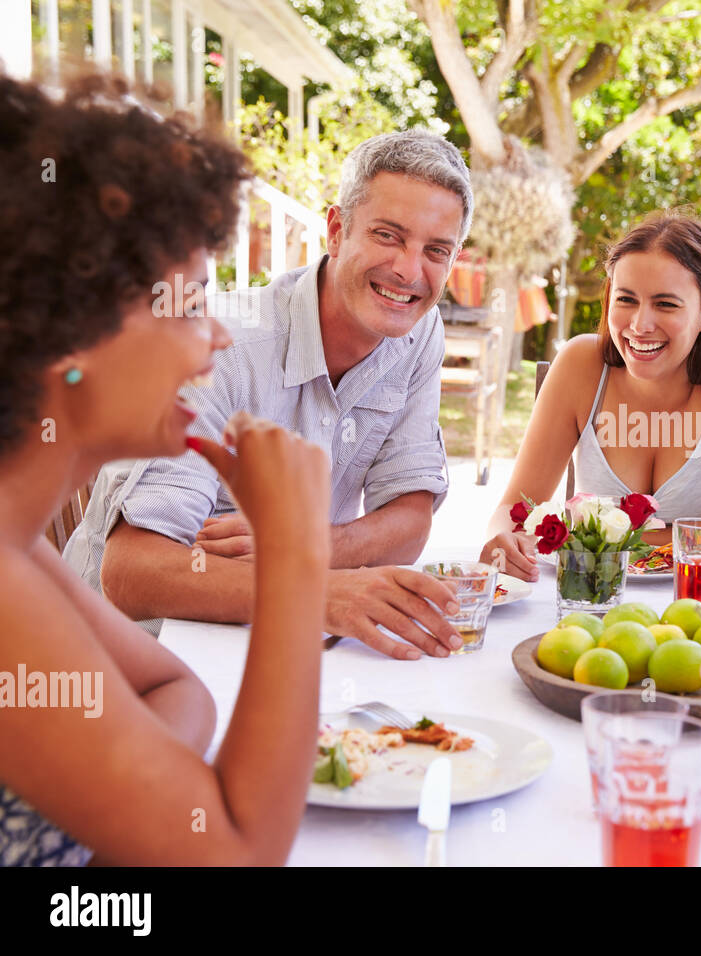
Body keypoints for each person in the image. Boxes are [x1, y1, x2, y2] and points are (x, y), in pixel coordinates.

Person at [0, 74, 369, 865]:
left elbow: (178, 691)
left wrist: (135, 789)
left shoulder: (21, 550)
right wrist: (297, 555)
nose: (218, 339)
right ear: (72, 334)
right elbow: (237, 852)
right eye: (193, 302)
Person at [64, 128, 469, 660]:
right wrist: (315, 591)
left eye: (435, 250)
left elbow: (410, 520)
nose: (409, 271)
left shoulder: (418, 331)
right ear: (336, 229)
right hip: (120, 666)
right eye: (389, 235)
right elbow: (132, 572)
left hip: (267, 648)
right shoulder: (221, 348)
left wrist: (304, 548)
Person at [481, 211, 701, 581]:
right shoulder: (580, 364)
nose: (640, 326)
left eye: (666, 304)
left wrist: (588, 537)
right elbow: (514, 509)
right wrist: (502, 539)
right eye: (626, 299)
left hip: (693, 596)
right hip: (591, 592)